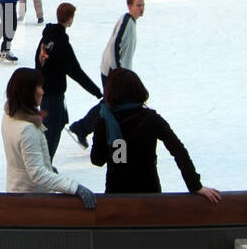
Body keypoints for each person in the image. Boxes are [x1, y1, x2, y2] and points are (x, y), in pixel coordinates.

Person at [90, 68, 222, 201]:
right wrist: (195, 185)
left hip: (116, 196)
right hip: (150, 195)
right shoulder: (151, 118)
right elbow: (178, 150)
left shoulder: (104, 121)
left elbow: (97, 160)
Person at [0, 68, 96, 209]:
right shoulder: (27, 129)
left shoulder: (9, 115)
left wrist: (48, 167)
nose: (42, 91)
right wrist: (74, 187)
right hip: (31, 200)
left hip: (16, 190)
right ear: (27, 92)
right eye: (38, 87)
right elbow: (37, 173)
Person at [68, 0, 144, 148]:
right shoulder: (126, 21)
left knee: (110, 104)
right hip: (113, 72)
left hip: (116, 71)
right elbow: (116, 45)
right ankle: (91, 132)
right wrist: (118, 73)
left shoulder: (129, 21)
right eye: (138, 5)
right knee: (110, 105)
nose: (141, 8)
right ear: (130, 6)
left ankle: (83, 129)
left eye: (143, 5)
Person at [35, 2, 102, 160]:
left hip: (44, 91)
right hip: (53, 92)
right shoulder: (62, 44)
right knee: (53, 128)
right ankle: (45, 165)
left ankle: (44, 163)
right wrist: (97, 92)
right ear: (70, 19)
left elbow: (38, 62)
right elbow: (75, 71)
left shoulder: (46, 38)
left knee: (57, 122)